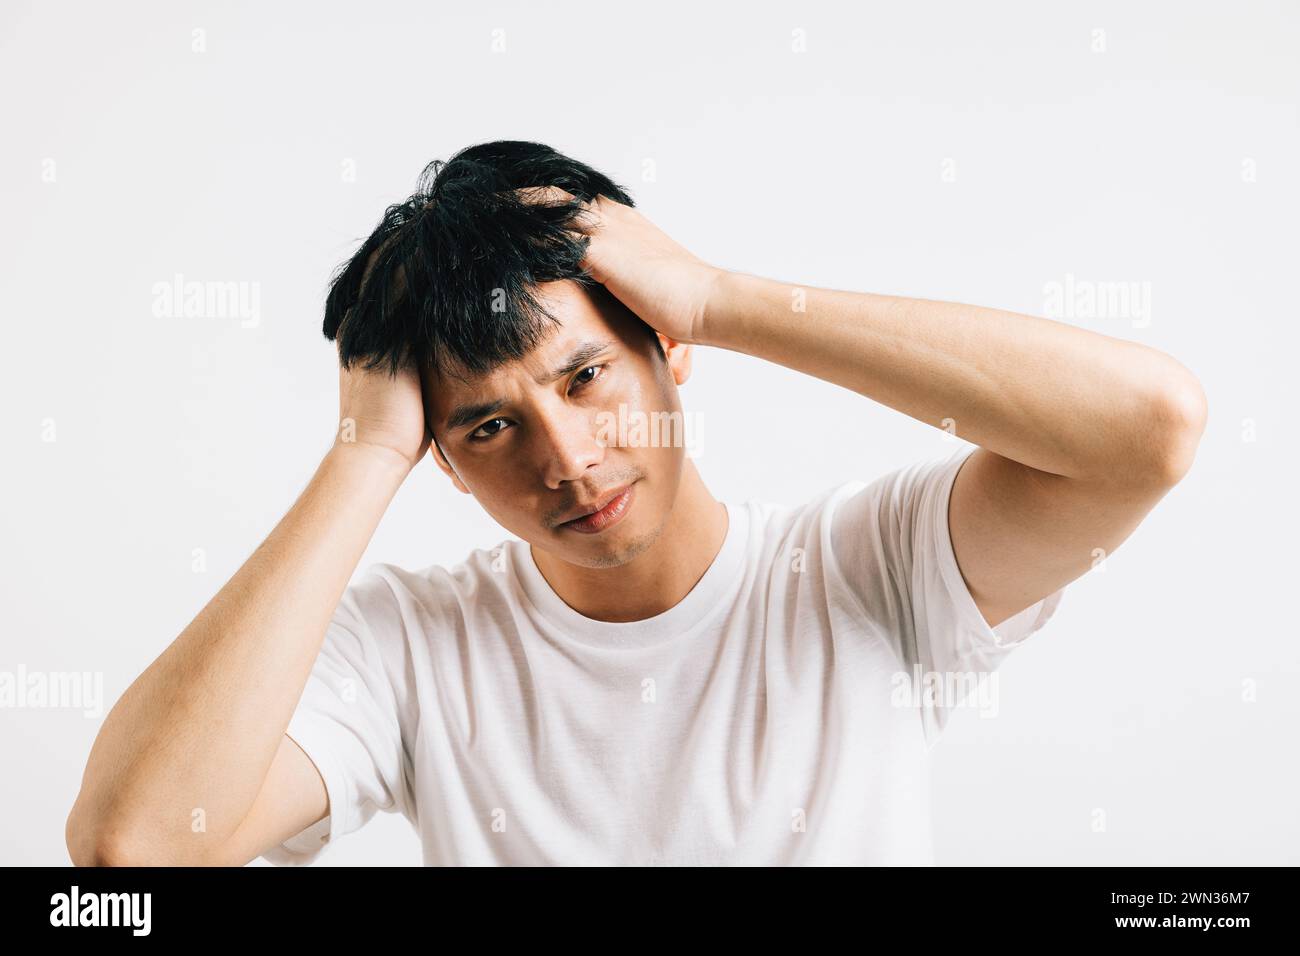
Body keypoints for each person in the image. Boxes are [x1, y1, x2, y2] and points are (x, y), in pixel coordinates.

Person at [66, 140, 1207, 866]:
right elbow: (133, 852)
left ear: (666, 349)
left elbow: (1147, 430)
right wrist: (366, 453)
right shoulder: (409, 646)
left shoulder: (868, 565)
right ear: (445, 463)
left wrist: (719, 294)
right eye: (488, 424)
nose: (565, 457)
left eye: (585, 376)